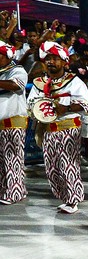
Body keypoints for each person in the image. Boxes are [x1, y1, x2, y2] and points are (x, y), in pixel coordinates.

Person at [26, 41, 88, 214]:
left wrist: (67, 108)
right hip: (47, 130)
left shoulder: (74, 82)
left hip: (68, 128)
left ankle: (73, 199)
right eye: (47, 58)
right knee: (52, 167)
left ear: (64, 62)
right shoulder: (39, 82)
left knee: (68, 164)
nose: (50, 62)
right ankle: (65, 197)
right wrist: (36, 109)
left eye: (55, 58)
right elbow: (30, 103)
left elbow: (85, 104)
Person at [0, 39, 28, 205]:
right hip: (1, 123)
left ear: (7, 55)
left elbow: (16, 85)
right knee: (3, 161)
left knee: (13, 159)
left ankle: (14, 193)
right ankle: (7, 190)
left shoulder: (17, 70)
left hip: (13, 122)